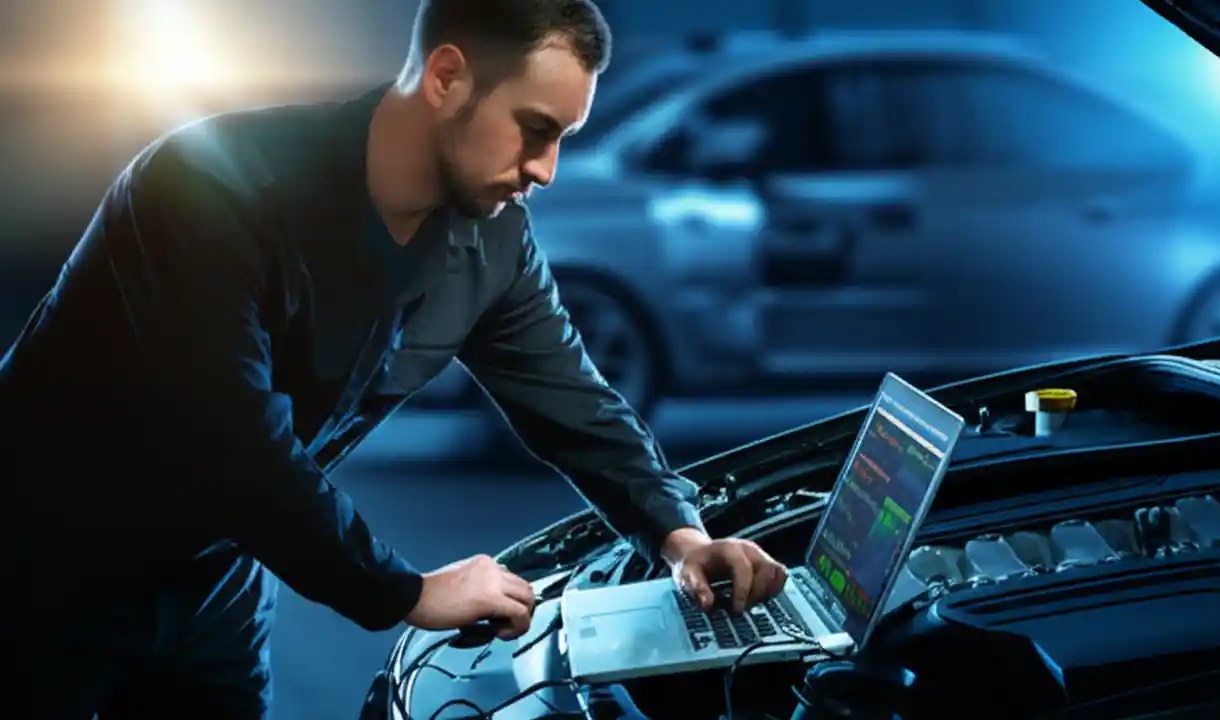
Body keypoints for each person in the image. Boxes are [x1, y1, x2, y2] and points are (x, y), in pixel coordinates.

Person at [0, 0, 788, 717]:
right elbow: (235, 447)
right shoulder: (203, 186)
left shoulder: (494, 241)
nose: (546, 170)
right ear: (446, 77)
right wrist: (406, 591)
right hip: (41, 563)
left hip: (218, 581)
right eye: (536, 129)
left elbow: (573, 399)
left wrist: (679, 535)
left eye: (562, 140)